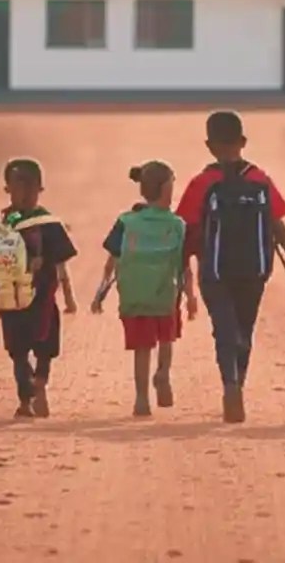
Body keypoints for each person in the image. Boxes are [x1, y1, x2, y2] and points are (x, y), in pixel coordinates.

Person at [174, 110, 285, 423]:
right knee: (244, 329)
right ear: (243, 142)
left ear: (209, 145)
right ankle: (241, 380)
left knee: (223, 328)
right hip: (254, 269)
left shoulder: (202, 182)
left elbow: (186, 230)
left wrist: (178, 271)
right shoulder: (259, 179)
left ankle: (230, 384)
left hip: (214, 270)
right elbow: (276, 224)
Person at [91, 161, 197, 417]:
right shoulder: (177, 225)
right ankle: (162, 373)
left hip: (134, 295)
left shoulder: (126, 222)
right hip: (165, 295)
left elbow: (112, 261)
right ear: (167, 189)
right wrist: (190, 295)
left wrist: (100, 293)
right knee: (167, 339)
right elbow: (184, 266)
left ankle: (141, 399)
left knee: (141, 348)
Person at [0, 158, 78, 419]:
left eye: (30, 187)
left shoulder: (40, 223)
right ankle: (25, 399)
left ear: (40, 188)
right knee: (21, 353)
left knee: (42, 350)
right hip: (15, 301)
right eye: (20, 187)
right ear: (7, 189)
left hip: (39, 300)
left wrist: (69, 296)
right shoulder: (7, 224)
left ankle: (37, 388)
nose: (25, 193)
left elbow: (61, 264)